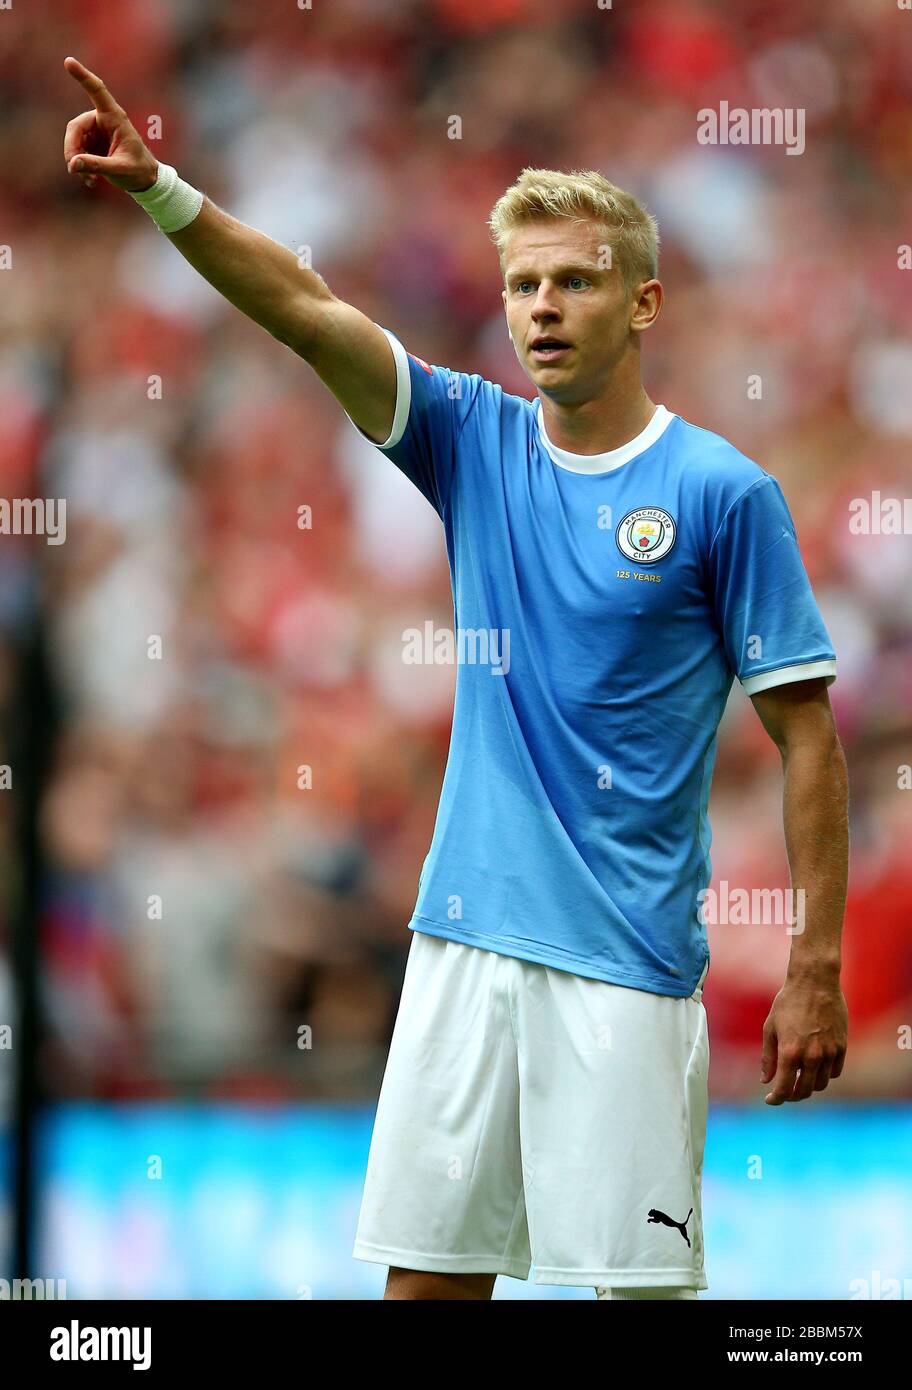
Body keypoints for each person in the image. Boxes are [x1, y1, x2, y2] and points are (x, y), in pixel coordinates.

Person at [63, 56, 850, 1302]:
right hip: (461, 945)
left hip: (628, 968)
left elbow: (809, 739)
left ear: (643, 303)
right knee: (425, 1288)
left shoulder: (721, 494)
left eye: (575, 281)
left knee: (632, 1296)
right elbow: (307, 311)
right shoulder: (471, 440)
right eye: (524, 283)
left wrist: (814, 964)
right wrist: (162, 189)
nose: (543, 305)